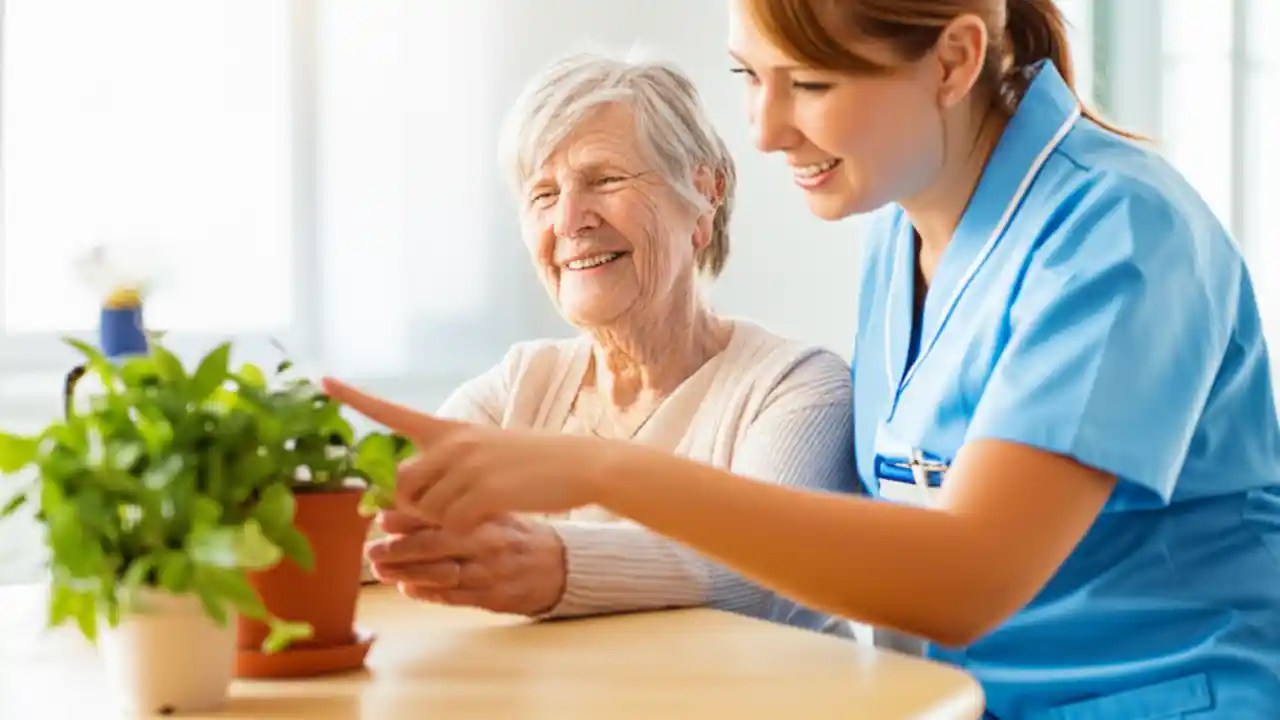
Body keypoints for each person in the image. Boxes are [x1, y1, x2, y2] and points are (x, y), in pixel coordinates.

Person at [326, 0, 1280, 716]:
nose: (766, 130)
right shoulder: (899, 232)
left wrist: (594, 467)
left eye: (811, 85)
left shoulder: (1119, 237)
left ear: (954, 58)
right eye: (750, 76)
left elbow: (963, 577)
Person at [361, 51, 858, 636]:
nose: (570, 220)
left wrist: (555, 566)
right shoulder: (521, 385)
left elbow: (766, 568)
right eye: (543, 195)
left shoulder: (797, 386)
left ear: (703, 193)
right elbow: (384, 530)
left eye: (605, 179)